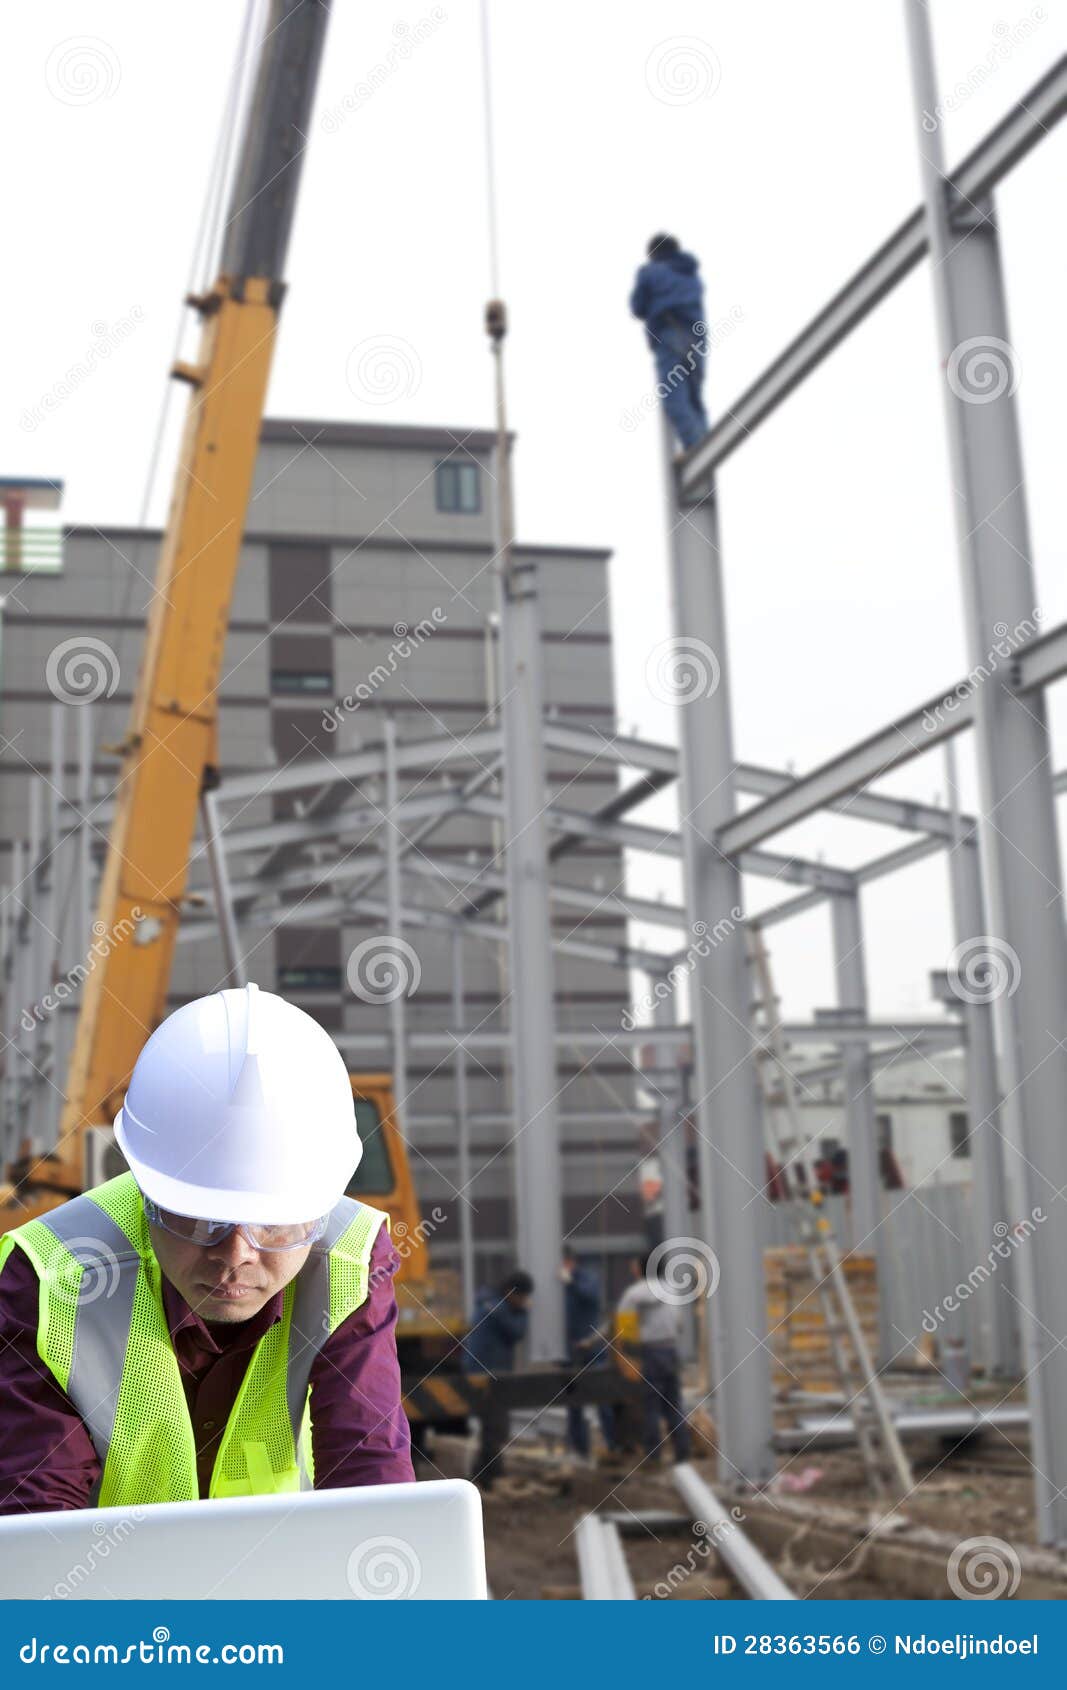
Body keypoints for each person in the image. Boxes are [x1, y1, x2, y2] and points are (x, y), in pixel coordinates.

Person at [0, 981, 414, 1512]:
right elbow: (36, 1518)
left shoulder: (350, 1261)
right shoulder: (50, 1276)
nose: (237, 1253)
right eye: (199, 1220)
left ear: (318, 1209)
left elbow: (368, 1469)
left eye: (275, 1226)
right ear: (146, 1193)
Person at [629, 232, 709, 451]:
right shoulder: (691, 274)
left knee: (674, 398)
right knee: (694, 401)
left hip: (669, 335)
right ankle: (707, 448)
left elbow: (637, 307)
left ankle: (696, 449)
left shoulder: (650, 272)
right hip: (697, 340)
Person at [460, 1269, 533, 1490]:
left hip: (483, 1372)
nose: (524, 1302)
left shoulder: (488, 1302)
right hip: (489, 1374)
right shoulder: (499, 1310)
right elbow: (517, 1331)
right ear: (512, 1292)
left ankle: (489, 1472)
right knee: (496, 1425)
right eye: (522, 1297)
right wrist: (524, 1313)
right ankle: (486, 1476)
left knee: (493, 1425)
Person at [616, 1252, 691, 1464]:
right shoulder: (673, 1290)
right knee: (674, 1403)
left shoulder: (633, 1294)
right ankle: (682, 1451)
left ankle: (653, 1455)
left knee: (651, 1405)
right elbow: (680, 1324)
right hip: (671, 1350)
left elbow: (625, 1331)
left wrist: (627, 1357)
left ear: (640, 1268)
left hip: (650, 1353)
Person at [560, 1246, 616, 1459]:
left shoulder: (587, 1278)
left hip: (591, 1348)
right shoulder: (558, 1285)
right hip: (569, 1351)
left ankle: (613, 1445)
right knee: (573, 1403)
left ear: (570, 1261)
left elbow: (591, 1296)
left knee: (602, 1398)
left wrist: (571, 1282)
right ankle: (580, 1449)